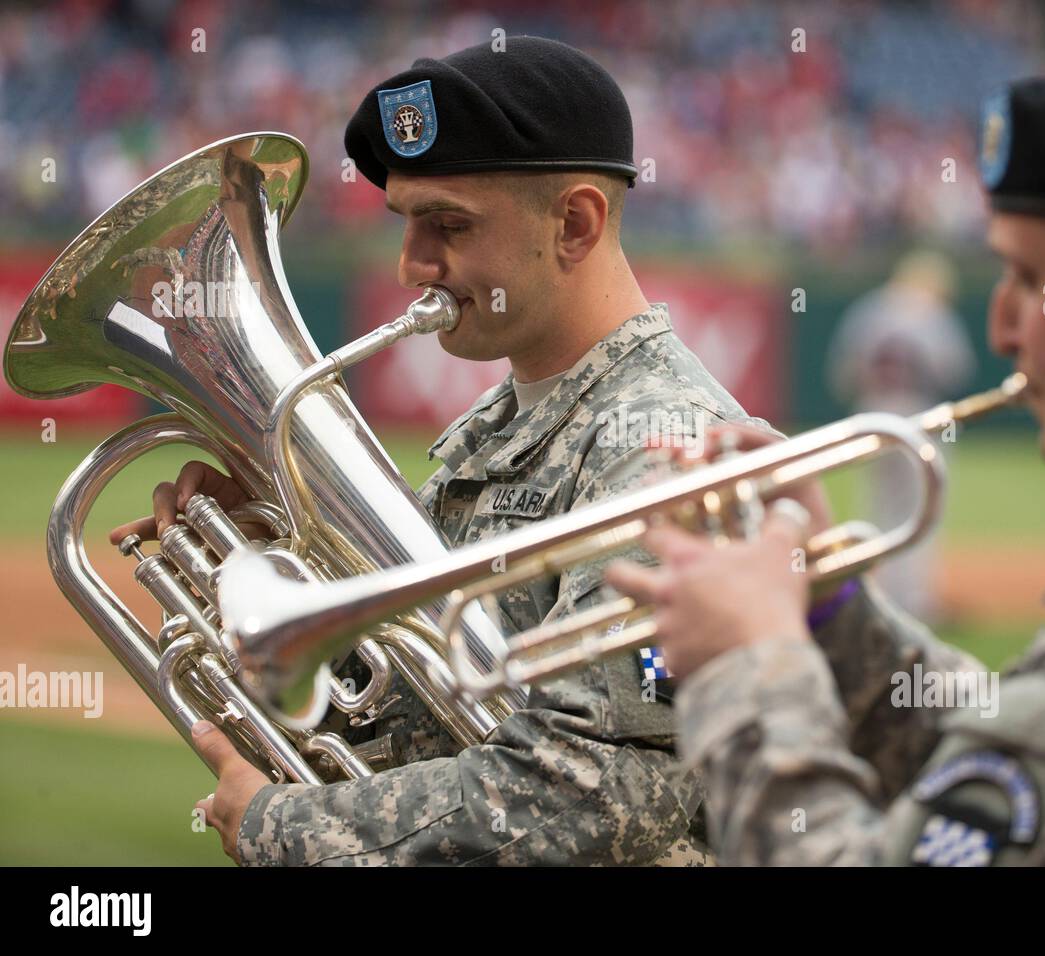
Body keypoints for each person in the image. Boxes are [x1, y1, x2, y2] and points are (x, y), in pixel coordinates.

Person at [606, 58, 1045, 865]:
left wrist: (749, 665)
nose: (1004, 329)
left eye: (1028, 278)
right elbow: (1026, 752)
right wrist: (831, 611)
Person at [110, 36, 769, 866]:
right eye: (406, 220)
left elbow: (601, 788)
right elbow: (401, 713)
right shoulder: (498, 428)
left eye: (448, 224)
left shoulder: (669, 447)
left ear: (575, 224)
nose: (412, 263)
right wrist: (268, 569)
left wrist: (286, 830)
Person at [826, 249, 975, 621]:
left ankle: (875, 595)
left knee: (878, 508)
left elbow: (842, 372)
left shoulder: (869, 310)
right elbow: (956, 370)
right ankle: (915, 600)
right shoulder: (934, 315)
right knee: (921, 509)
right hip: (918, 416)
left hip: (873, 414)